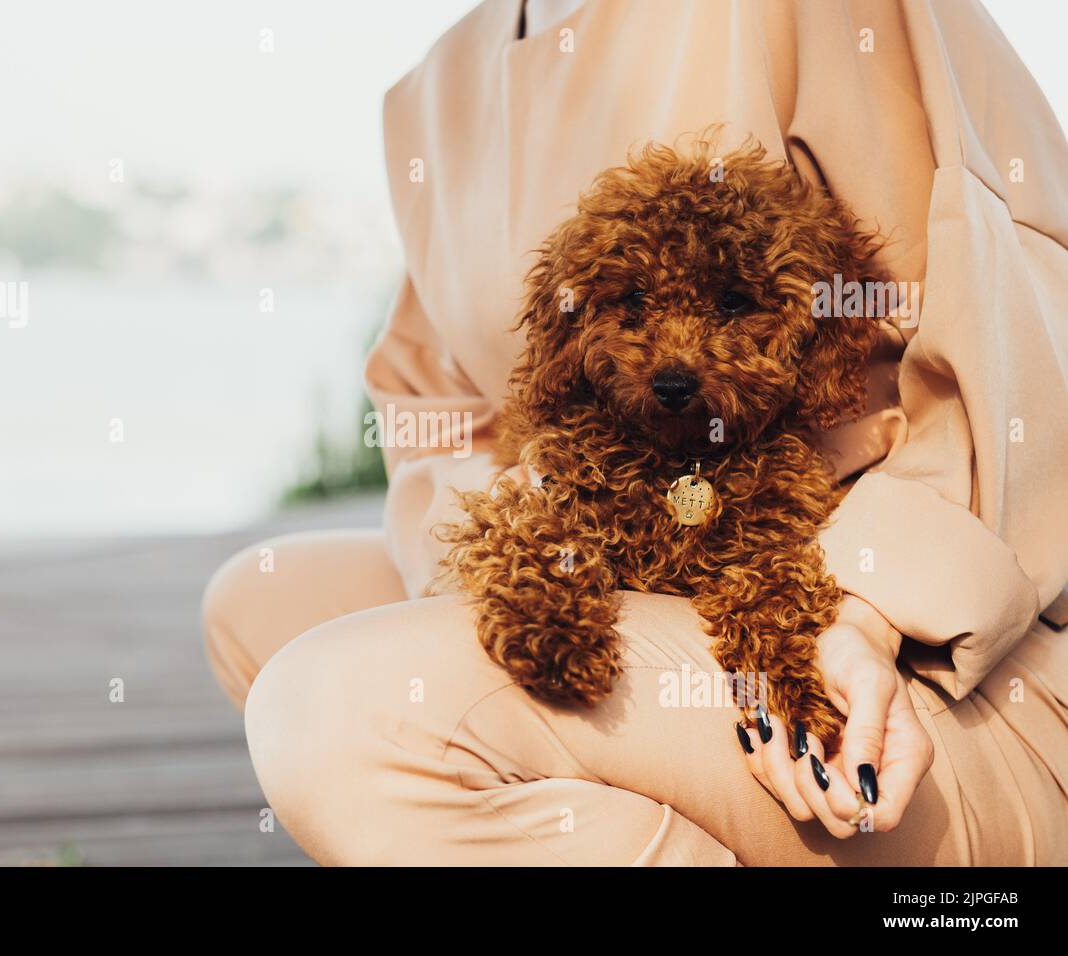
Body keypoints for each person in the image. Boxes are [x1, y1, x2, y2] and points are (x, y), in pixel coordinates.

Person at [203, 0, 1068, 864]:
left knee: (333, 709)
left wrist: (871, 608)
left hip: (919, 658)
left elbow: (1021, 318)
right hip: (615, 544)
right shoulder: (433, 91)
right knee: (259, 606)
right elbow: (437, 405)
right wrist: (524, 531)